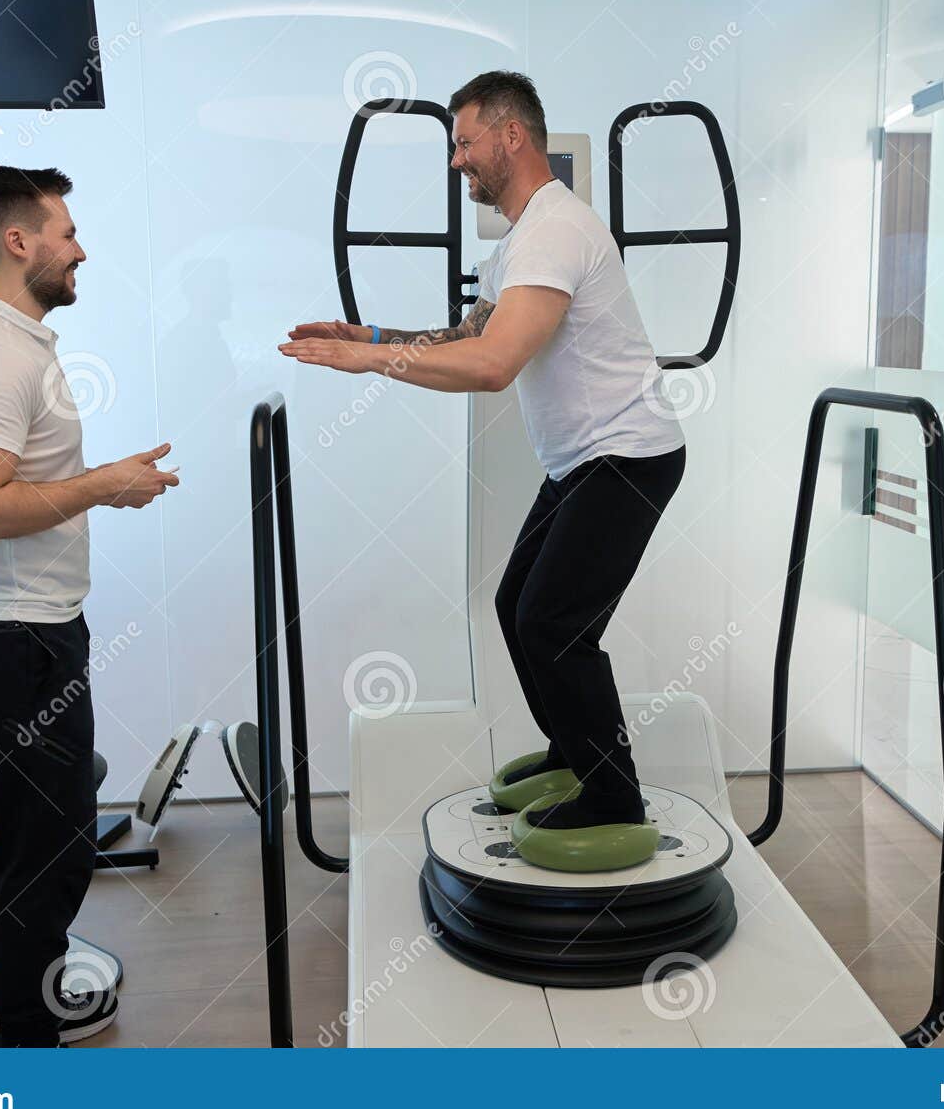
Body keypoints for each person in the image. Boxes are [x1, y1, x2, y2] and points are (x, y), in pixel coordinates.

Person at [280, 71, 684, 849]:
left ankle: (614, 797)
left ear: (511, 135)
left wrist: (370, 365)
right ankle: (574, 752)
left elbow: (494, 365)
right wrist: (373, 338)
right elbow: (470, 336)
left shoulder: (555, 232)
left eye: (464, 142)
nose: (456, 159)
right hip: (583, 461)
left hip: (628, 457)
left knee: (553, 625)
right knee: (516, 606)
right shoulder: (521, 239)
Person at [0, 165, 178, 1045]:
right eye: (66, 233)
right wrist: (102, 485)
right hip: (7, 633)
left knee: (41, 834)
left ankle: (20, 1010)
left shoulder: (13, 341)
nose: (81, 249)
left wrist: (98, 484)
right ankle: (24, 1037)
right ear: (17, 242)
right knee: (49, 841)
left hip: (26, 625)